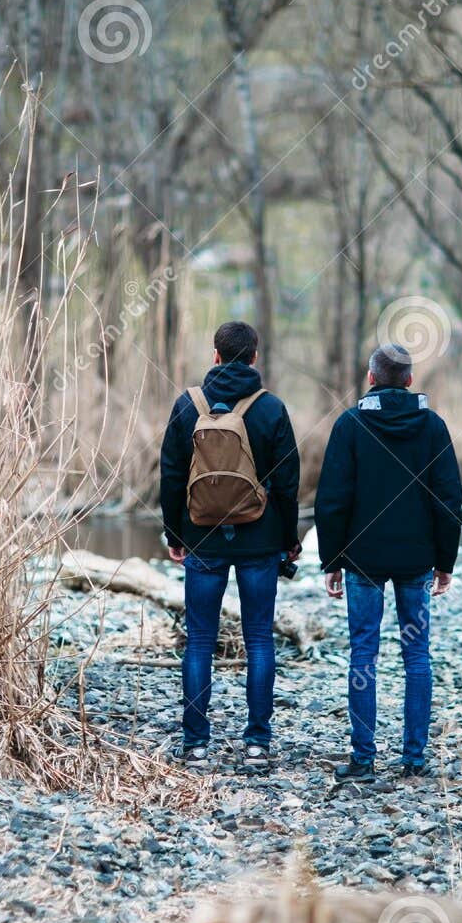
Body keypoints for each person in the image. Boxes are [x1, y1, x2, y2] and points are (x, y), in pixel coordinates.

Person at [315, 342, 462, 781]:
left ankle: (363, 759)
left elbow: (332, 499)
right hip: (416, 560)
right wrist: (445, 560)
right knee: (417, 654)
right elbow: (449, 499)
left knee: (364, 654)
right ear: (411, 381)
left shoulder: (351, 424)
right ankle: (413, 759)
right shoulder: (433, 427)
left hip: (363, 560)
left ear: (371, 378)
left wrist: (332, 558)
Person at [160, 321, 301, 766]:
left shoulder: (189, 404)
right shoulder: (271, 408)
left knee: (199, 640)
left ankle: (195, 742)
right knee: (259, 638)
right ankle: (257, 741)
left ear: (216, 355)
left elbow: (170, 474)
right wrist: (289, 540)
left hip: (202, 536)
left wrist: (174, 533)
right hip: (259, 539)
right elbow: (288, 483)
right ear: (254, 357)